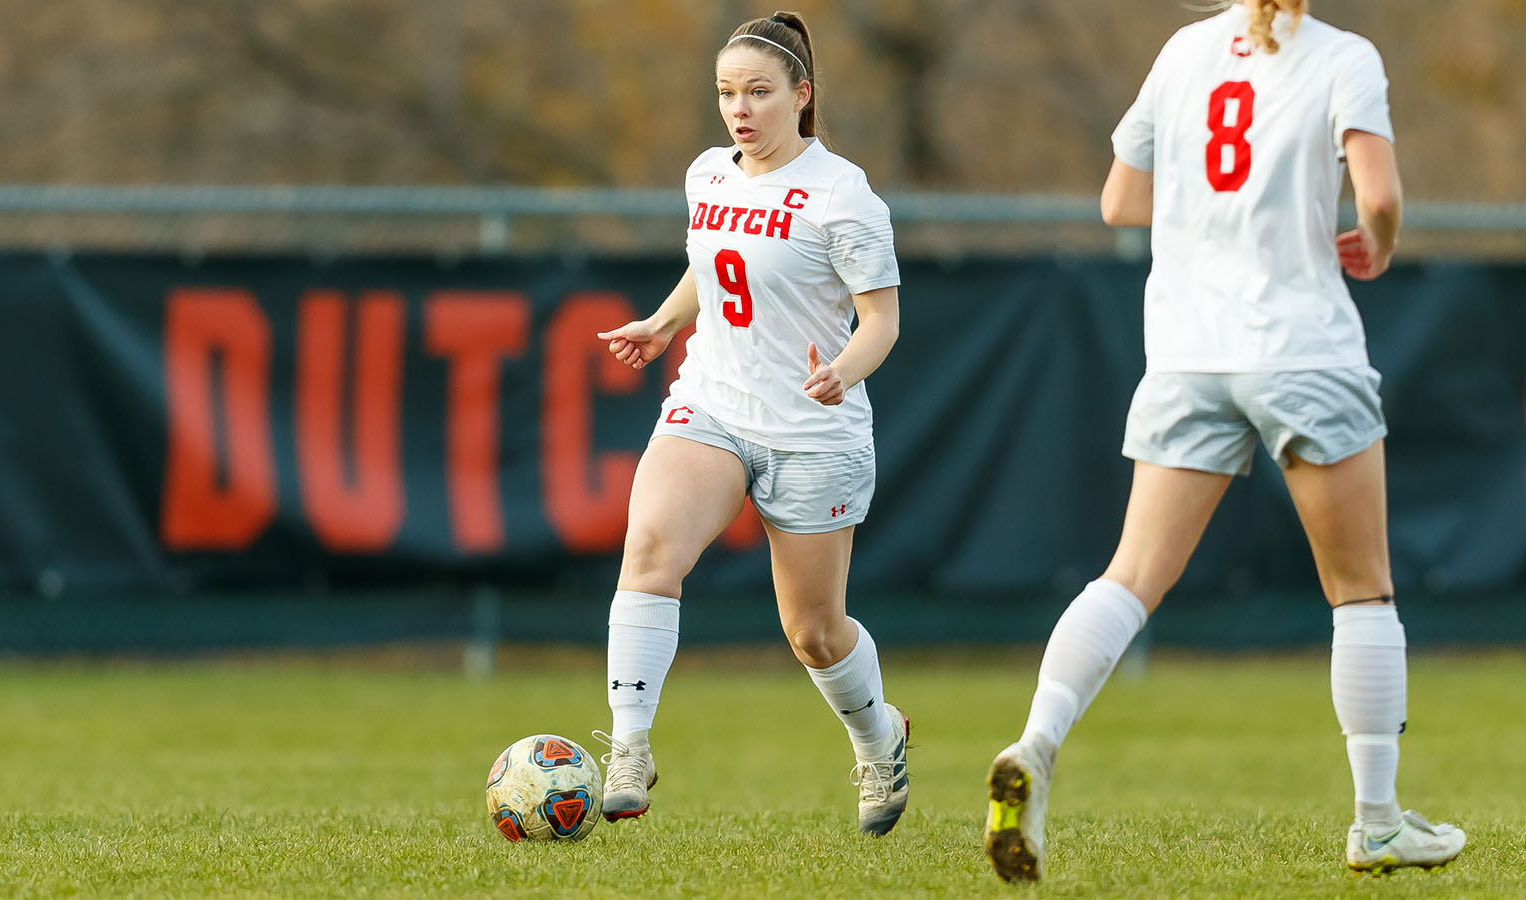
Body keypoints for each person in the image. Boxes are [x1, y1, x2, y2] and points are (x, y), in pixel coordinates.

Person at [982, 0, 1467, 882]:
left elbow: (1119, 200)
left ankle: (1036, 741)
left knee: (1128, 577)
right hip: (1301, 349)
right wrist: (1379, 244)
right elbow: (1382, 197)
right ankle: (1380, 822)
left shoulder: (1183, 49)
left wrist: (1219, 210)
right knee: (1361, 591)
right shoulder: (1342, 55)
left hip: (1187, 353)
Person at [588, 11, 909, 836]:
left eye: (759, 92)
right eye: (728, 92)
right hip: (714, 402)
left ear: (801, 96)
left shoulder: (843, 194)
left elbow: (880, 321)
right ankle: (629, 747)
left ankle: (880, 741)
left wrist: (845, 369)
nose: (741, 108)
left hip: (812, 428)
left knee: (812, 632)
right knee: (650, 548)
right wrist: (663, 323)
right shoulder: (708, 174)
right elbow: (710, 265)